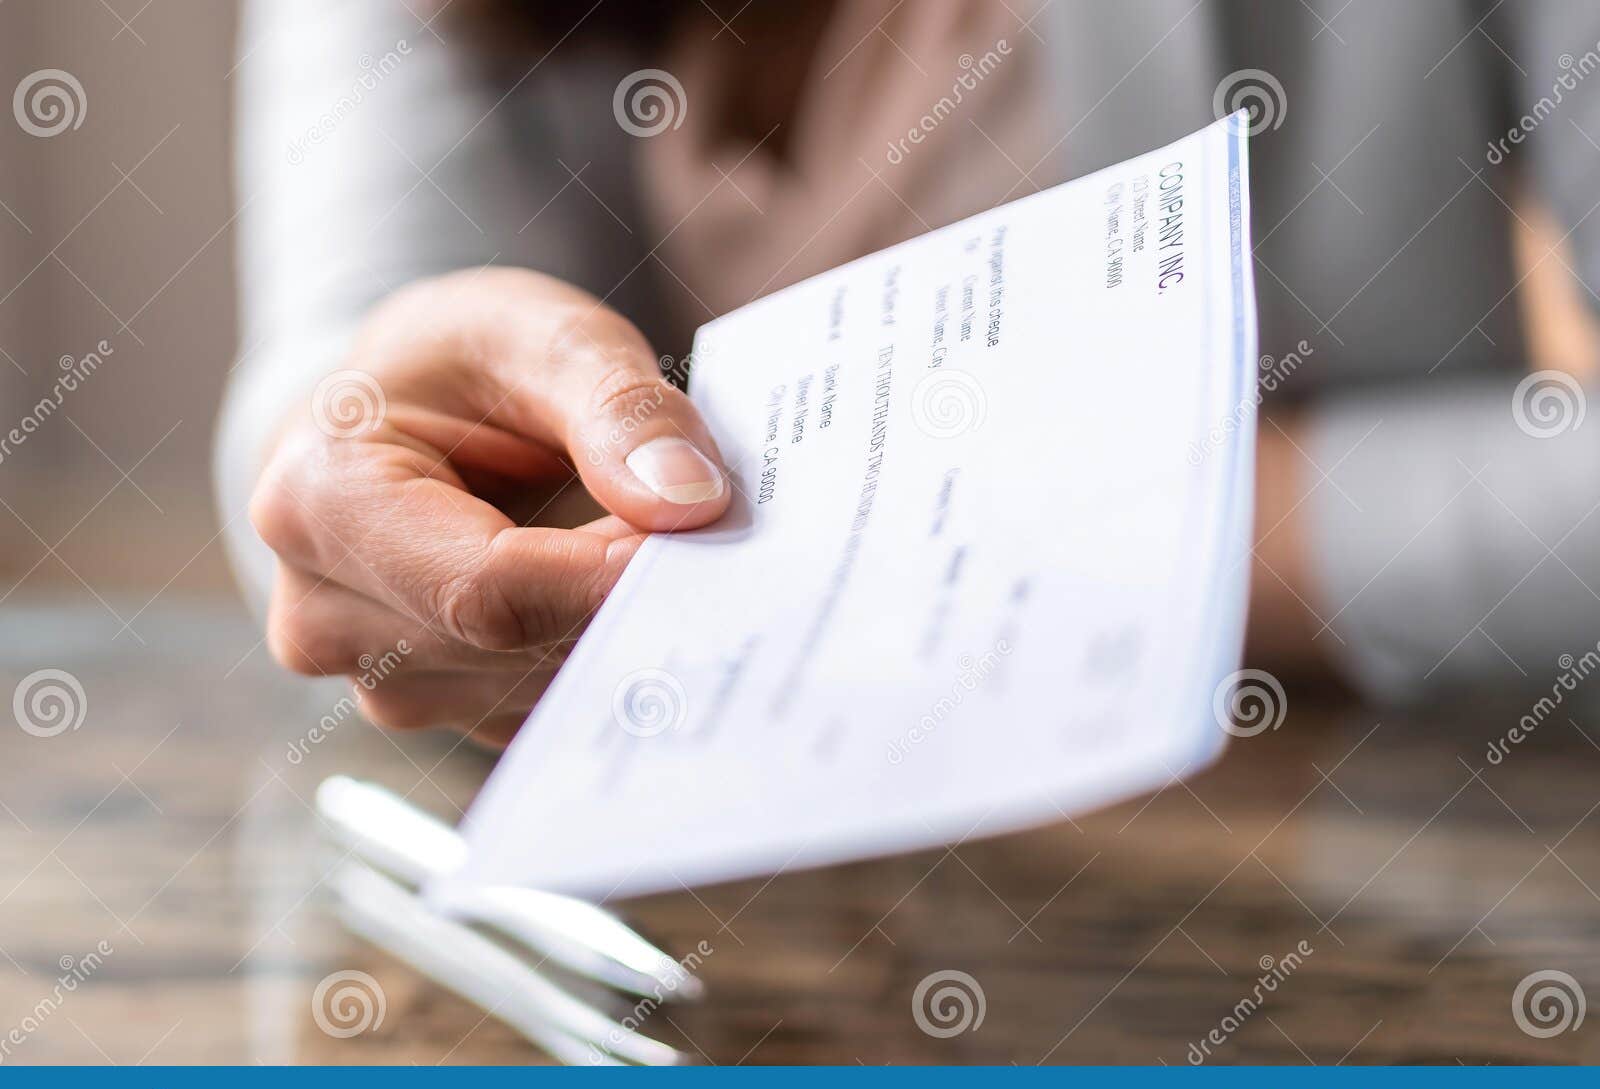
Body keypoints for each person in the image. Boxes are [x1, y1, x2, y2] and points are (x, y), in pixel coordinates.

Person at [217, 1, 1600, 747]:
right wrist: (365, 471)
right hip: (706, 914)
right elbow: (338, 378)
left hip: (1326, 857)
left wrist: (1123, 525)